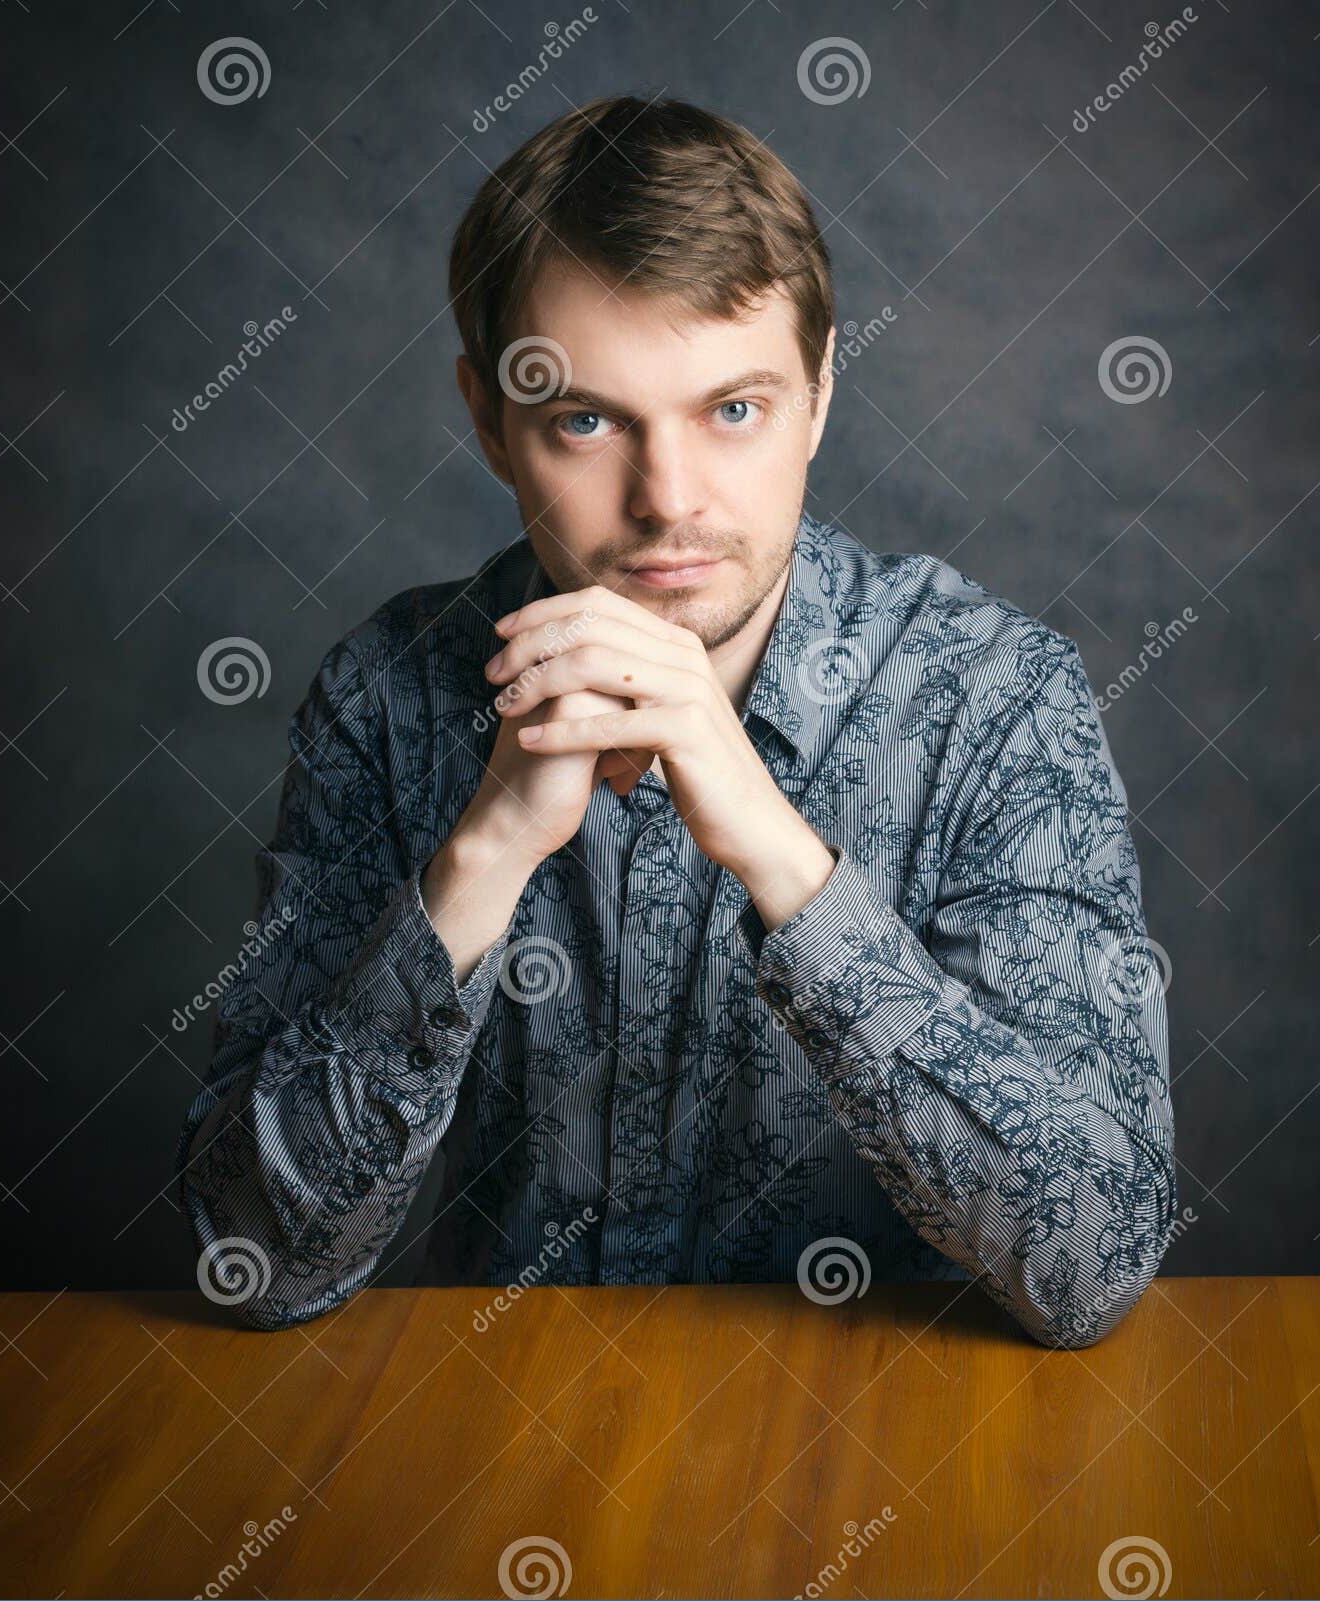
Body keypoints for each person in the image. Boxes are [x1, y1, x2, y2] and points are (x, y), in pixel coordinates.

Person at [175, 92, 1175, 1348]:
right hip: (501, 1472)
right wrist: (479, 861)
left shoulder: (996, 699)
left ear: (817, 393)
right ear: (491, 421)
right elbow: (253, 1263)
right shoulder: (389, 695)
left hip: (895, 1467)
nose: (668, 501)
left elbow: (1094, 1260)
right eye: (586, 421)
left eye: (734, 410)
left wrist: (784, 861)